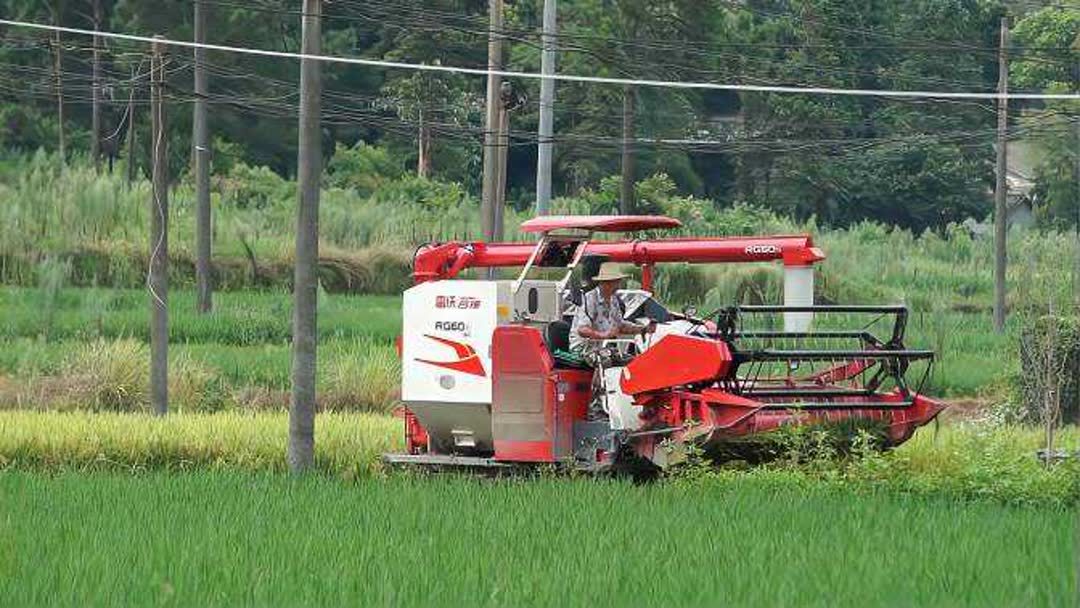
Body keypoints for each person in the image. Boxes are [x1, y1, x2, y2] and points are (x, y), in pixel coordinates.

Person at [570, 263, 654, 419]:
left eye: (618, 282)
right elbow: (582, 329)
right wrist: (604, 335)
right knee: (605, 359)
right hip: (583, 348)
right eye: (616, 282)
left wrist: (642, 329)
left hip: (604, 347)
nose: (618, 285)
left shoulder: (614, 300)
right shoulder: (589, 299)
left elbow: (620, 326)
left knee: (634, 363)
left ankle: (632, 406)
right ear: (605, 283)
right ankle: (597, 409)